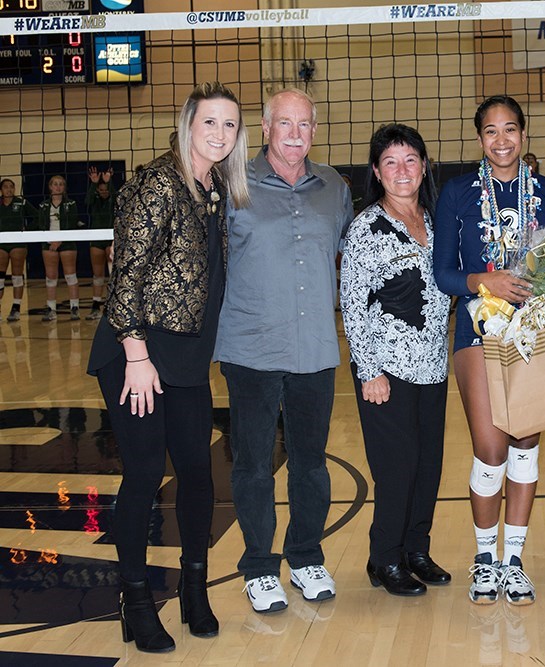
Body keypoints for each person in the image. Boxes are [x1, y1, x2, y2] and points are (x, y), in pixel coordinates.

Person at [86, 81, 250, 652]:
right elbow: (124, 276)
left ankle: (195, 588)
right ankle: (134, 601)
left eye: (229, 124)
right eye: (210, 122)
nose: (220, 134)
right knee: (144, 474)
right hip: (139, 351)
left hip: (184, 356)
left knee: (199, 477)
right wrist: (135, 355)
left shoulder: (215, 187)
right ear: (188, 124)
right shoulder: (158, 182)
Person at [215, 88, 353, 614]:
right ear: (266, 128)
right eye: (285, 124)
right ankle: (257, 566)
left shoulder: (334, 187)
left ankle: (305, 555)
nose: (295, 134)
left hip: (314, 347)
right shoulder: (233, 184)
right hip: (251, 347)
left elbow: (348, 253)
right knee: (252, 464)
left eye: (305, 125)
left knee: (311, 464)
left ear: (314, 131)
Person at [434, 95, 545, 606]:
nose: (501, 140)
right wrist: (483, 280)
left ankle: (512, 560)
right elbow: (442, 272)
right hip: (477, 329)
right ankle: (483, 556)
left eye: (510, 129)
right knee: (491, 447)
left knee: (525, 444)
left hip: (535, 330)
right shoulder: (456, 194)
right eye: (490, 132)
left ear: (524, 135)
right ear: (479, 140)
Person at [341, 123, 451, 597]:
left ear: (424, 166)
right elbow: (351, 301)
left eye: (410, 160)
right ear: (377, 172)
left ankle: (415, 550)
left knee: (428, 465)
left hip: (433, 367)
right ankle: (383, 558)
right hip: (386, 369)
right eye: (391, 161)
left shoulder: (438, 219)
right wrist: (370, 372)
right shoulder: (366, 226)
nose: (402, 170)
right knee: (396, 467)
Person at [37, 174, 82, 321]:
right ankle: (51, 309)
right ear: (50, 187)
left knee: (70, 275)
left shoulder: (71, 204)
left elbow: (73, 223)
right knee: (50, 277)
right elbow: (41, 224)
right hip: (48, 243)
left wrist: (59, 241)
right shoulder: (43, 205)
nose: (58, 186)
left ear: (64, 187)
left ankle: (74, 308)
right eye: (55, 184)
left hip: (67, 242)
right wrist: (50, 240)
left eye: (61, 184)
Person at [0, 177, 37, 322]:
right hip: (2, 242)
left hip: (18, 242)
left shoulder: (21, 202)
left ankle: (16, 308)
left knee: (17, 275)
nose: (9, 189)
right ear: (1, 190)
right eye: (6, 187)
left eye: (11, 186)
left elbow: (37, 216)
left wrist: (27, 230)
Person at [85, 166, 116, 320]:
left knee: (113, 275)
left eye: (106, 189)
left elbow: (117, 197)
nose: (104, 192)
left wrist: (109, 183)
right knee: (97, 275)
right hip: (96, 240)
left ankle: (113, 304)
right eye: (101, 190)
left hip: (111, 239)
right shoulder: (94, 202)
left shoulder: (113, 201)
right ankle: (95, 305)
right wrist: (94, 184)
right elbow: (87, 201)